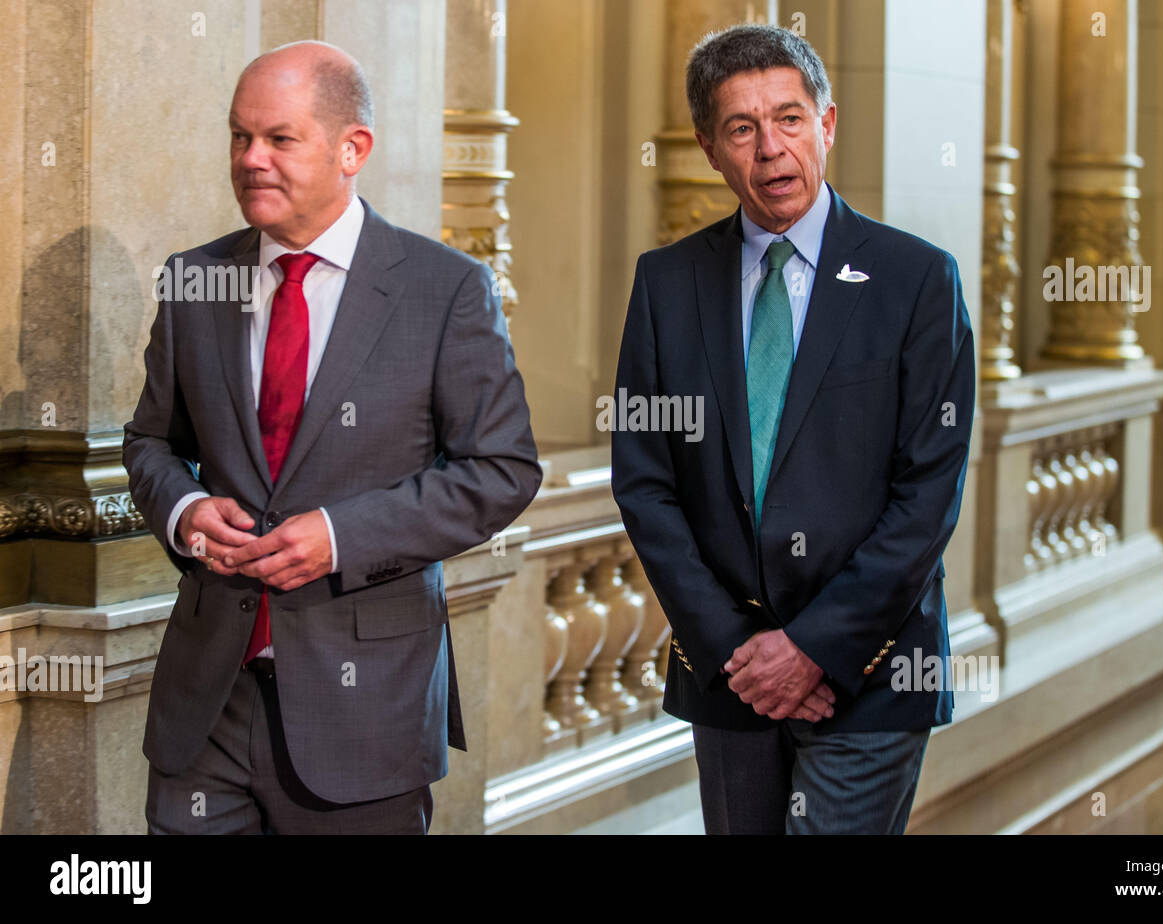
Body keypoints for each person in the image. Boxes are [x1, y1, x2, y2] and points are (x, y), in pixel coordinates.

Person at [123, 40, 541, 834]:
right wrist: (185, 511)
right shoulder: (193, 280)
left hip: (366, 714)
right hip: (205, 707)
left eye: (279, 139)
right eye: (240, 137)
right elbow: (150, 442)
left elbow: (501, 470)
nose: (251, 159)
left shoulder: (447, 289)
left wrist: (341, 536)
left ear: (353, 149)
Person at [611, 23, 974, 835]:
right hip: (731, 674)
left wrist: (812, 649)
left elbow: (927, 495)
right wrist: (736, 650)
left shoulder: (918, 279)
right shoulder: (667, 283)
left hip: (873, 672)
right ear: (710, 148)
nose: (771, 148)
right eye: (742, 128)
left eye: (789, 119)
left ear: (827, 124)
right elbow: (644, 483)